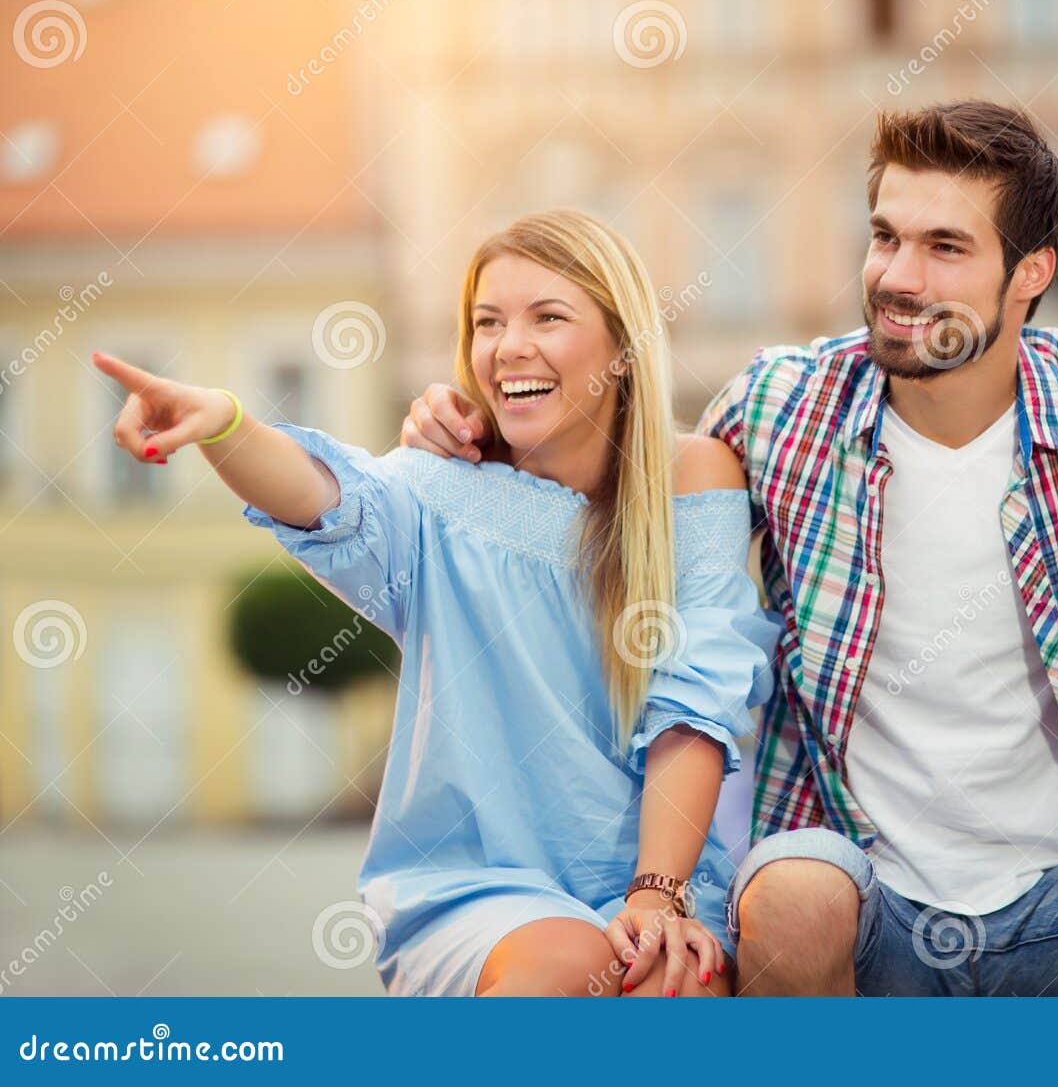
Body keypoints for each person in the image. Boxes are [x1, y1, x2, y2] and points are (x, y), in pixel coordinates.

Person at [399, 101, 1058, 996]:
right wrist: (482, 414)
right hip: (866, 890)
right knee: (791, 888)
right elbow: (622, 470)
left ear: (1029, 271)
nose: (898, 275)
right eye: (884, 236)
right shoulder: (780, 404)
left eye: (944, 248)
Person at [95, 209, 778, 998]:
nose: (508, 345)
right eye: (488, 322)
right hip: (478, 887)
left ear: (622, 349)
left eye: (547, 317)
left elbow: (695, 706)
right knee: (568, 965)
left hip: (662, 874)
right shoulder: (439, 491)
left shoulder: (692, 480)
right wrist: (225, 424)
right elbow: (328, 496)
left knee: (678, 985)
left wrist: (656, 895)